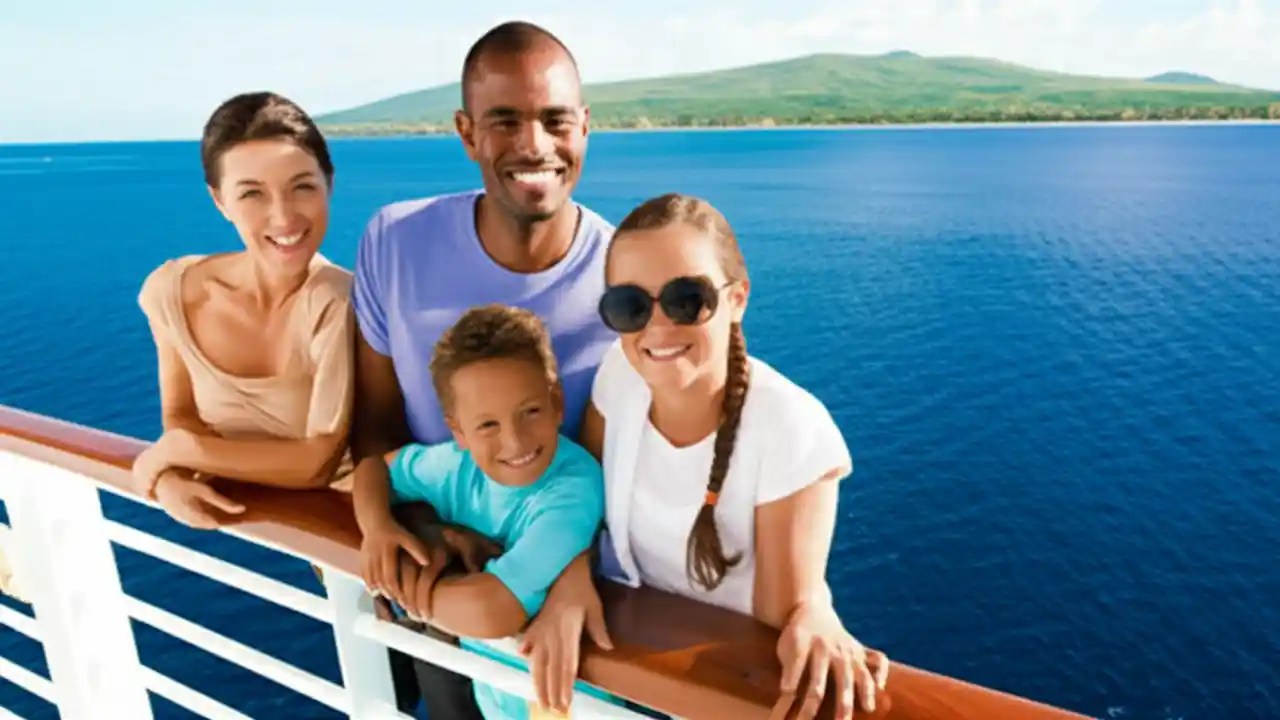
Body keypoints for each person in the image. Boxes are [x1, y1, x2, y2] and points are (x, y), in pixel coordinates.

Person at [521, 193, 892, 720]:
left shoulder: (789, 428)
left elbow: (775, 623)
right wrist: (570, 579)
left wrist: (813, 607)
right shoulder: (620, 375)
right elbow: (580, 496)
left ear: (737, 298)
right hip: (627, 661)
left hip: (719, 686)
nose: (658, 327)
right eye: (629, 305)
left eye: (686, 298)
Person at [349, 21, 615, 718]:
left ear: (585, 127)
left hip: (574, 619)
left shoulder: (625, 278)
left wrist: (571, 570)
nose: (534, 145)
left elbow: (647, 462)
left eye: (556, 119)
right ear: (467, 133)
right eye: (505, 121)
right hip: (435, 581)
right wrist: (416, 532)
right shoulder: (394, 243)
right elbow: (374, 433)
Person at [355, 304, 612, 720]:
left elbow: (492, 609)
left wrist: (407, 589)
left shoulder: (574, 487)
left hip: (573, 707)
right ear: (458, 431)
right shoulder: (457, 465)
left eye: (530, 411)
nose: (514, 442)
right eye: (487, 425)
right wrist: (378, 528)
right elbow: (372, 471)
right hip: (496, 698)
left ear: (557, 402)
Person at [131, 92, 354, 527]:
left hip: (360, 530)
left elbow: (318, 462)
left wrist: (176, 454)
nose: (284, 216)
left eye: (303, 187)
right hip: (291, 531)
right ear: (219, 201)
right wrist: (170, 477)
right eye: (252, 194)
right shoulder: (172, 292)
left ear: (330, 183)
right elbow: (181, 416)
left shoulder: (336, 300)